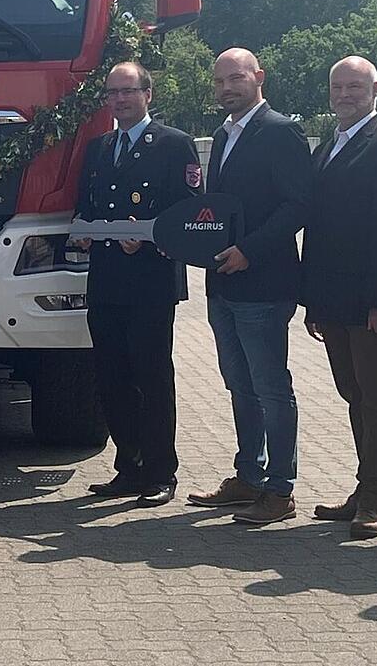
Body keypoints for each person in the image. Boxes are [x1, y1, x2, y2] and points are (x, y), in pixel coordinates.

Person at [185, 48, 314, 527]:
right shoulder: (223, 134)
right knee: (239, 385)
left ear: (258, 77)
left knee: (271, 389)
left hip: (262, 284)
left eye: (236, 78)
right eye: (220, 81)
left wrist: (249, 251)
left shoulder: (281, 132)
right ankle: (249, 476)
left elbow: (297, 206)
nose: (227, 88)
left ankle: (280, 490)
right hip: (222, 285)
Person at [73, 61, 200, 507]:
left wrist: (147, 238)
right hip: (106, 278)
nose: (120, 100)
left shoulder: (174, 143)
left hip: (150, 280)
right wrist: (82, 230)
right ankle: (128, 466)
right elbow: (87, 205)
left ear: (148, 94)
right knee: (111, 377)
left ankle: (161, 471)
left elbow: (187, 211)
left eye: (128, 91)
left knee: (151, 376)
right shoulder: (100, 147)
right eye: (113, 92)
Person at [300, 57, 377, 540]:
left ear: (375, 89)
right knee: (354, 395)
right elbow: (319, 230)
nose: (345, 95)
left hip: (373, 305)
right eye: (338, 87)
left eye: (355, 86)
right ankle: (366, 485)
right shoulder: (328, 146)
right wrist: (314, 302)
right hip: (334, 302)